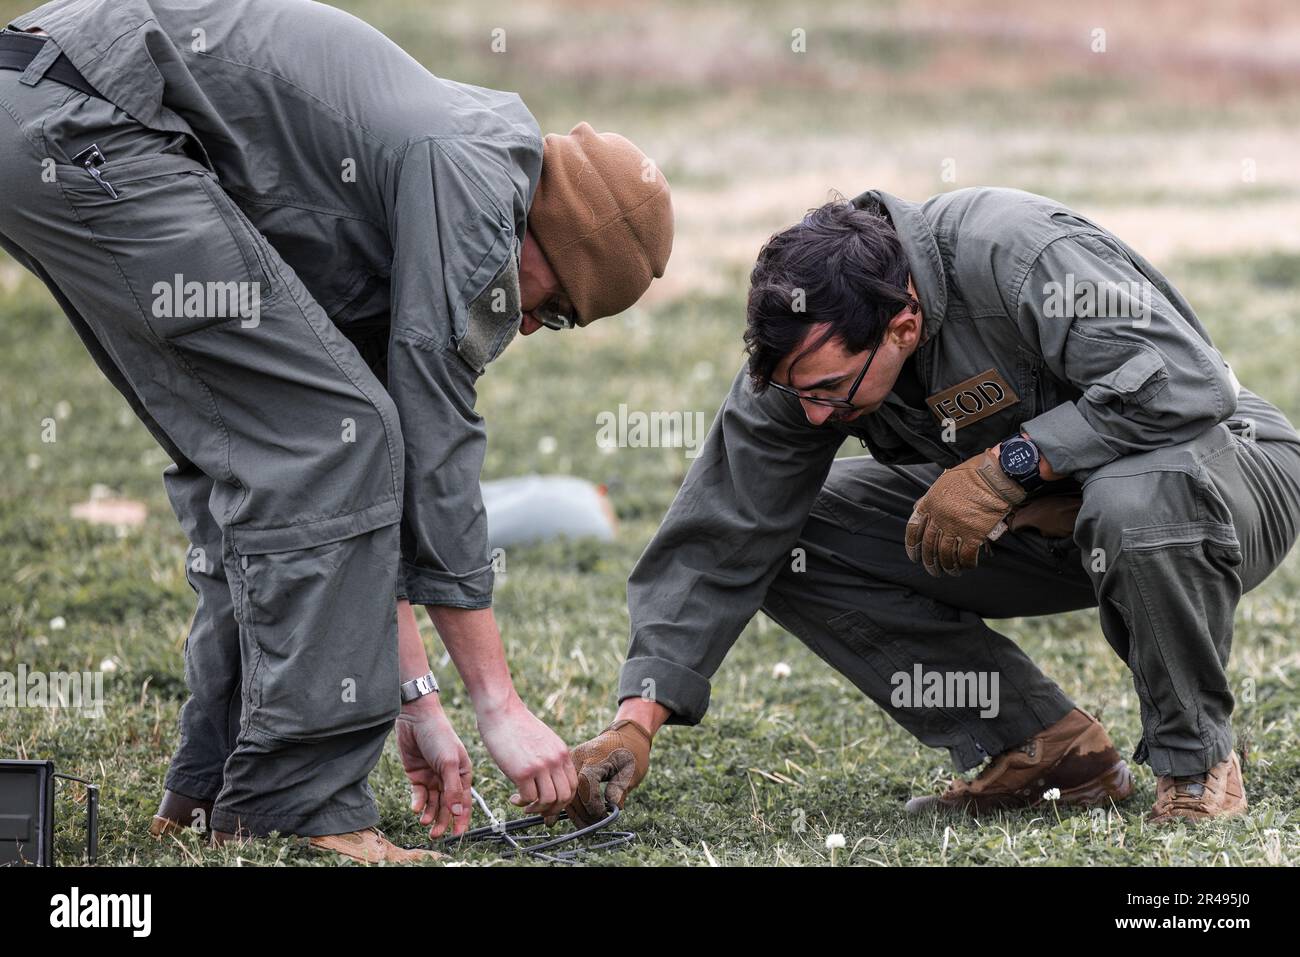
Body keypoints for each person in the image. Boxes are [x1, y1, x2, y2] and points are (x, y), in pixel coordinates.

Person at [0, 0, 672, 862]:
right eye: (561, 307)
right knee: (331, 434)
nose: (535, 326)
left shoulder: (436, 184)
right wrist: (498, 704)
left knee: (296, 444)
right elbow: (430, 448)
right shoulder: (475, 189)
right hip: (90, 117)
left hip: (51, 105)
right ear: (551, 237)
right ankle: (298, 806)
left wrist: (417, 697)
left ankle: (213, 786)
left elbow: (360, 492)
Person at [569, 187, 1299, 827]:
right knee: (792, 536)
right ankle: (1044, 748)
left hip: (1223, 473)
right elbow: (727, 525)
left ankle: (1195, 761)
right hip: (1055, 516)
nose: (815, 414)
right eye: (801, 395)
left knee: (1130, 498)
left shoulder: (1019, 253)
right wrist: (637, 719)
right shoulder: (808, 353)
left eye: (829, 392)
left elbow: (1189, 385)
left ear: (904, 325)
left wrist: (1010, 465)